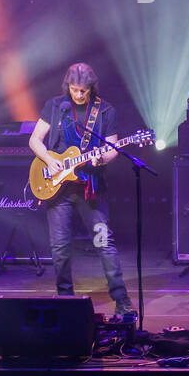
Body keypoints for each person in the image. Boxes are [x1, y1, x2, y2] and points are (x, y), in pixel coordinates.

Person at [28, 63, 136, 319]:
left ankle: (121, 299)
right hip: (57, 188)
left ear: (91, 88)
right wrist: (49, 160)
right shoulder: (55, 106)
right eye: (75, 90)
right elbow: (34, 139)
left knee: (104, 243)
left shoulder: (105, 110)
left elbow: (110, 148)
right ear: (68, 87)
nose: (79, 95)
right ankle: (66, 301)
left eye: (83, 91)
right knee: (60, 247)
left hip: (90, 188)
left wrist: (100, 159)